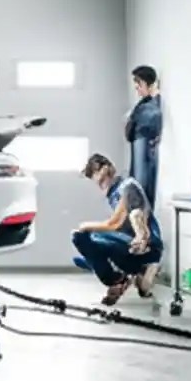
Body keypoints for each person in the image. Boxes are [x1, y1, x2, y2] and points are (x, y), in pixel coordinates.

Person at [72, 153, 164, 306]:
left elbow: (131, 216)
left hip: (146, 247)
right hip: (129, 248)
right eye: (99, 184)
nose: (101, 186)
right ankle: (123, 277)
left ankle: (137, 271)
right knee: (82, 245)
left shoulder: (127, 186)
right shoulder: (114, 193)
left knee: (85, 236)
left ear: (106, 168)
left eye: (102, 181)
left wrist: (141, 236)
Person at [125, 65, 163, 207]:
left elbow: (131, 128)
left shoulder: (150, 108)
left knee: (141, 193)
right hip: (139, 146)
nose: (137, 88)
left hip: (144, 147)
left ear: (150, 84)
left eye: (139, 84)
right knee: (137, 191)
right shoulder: (142, 106)